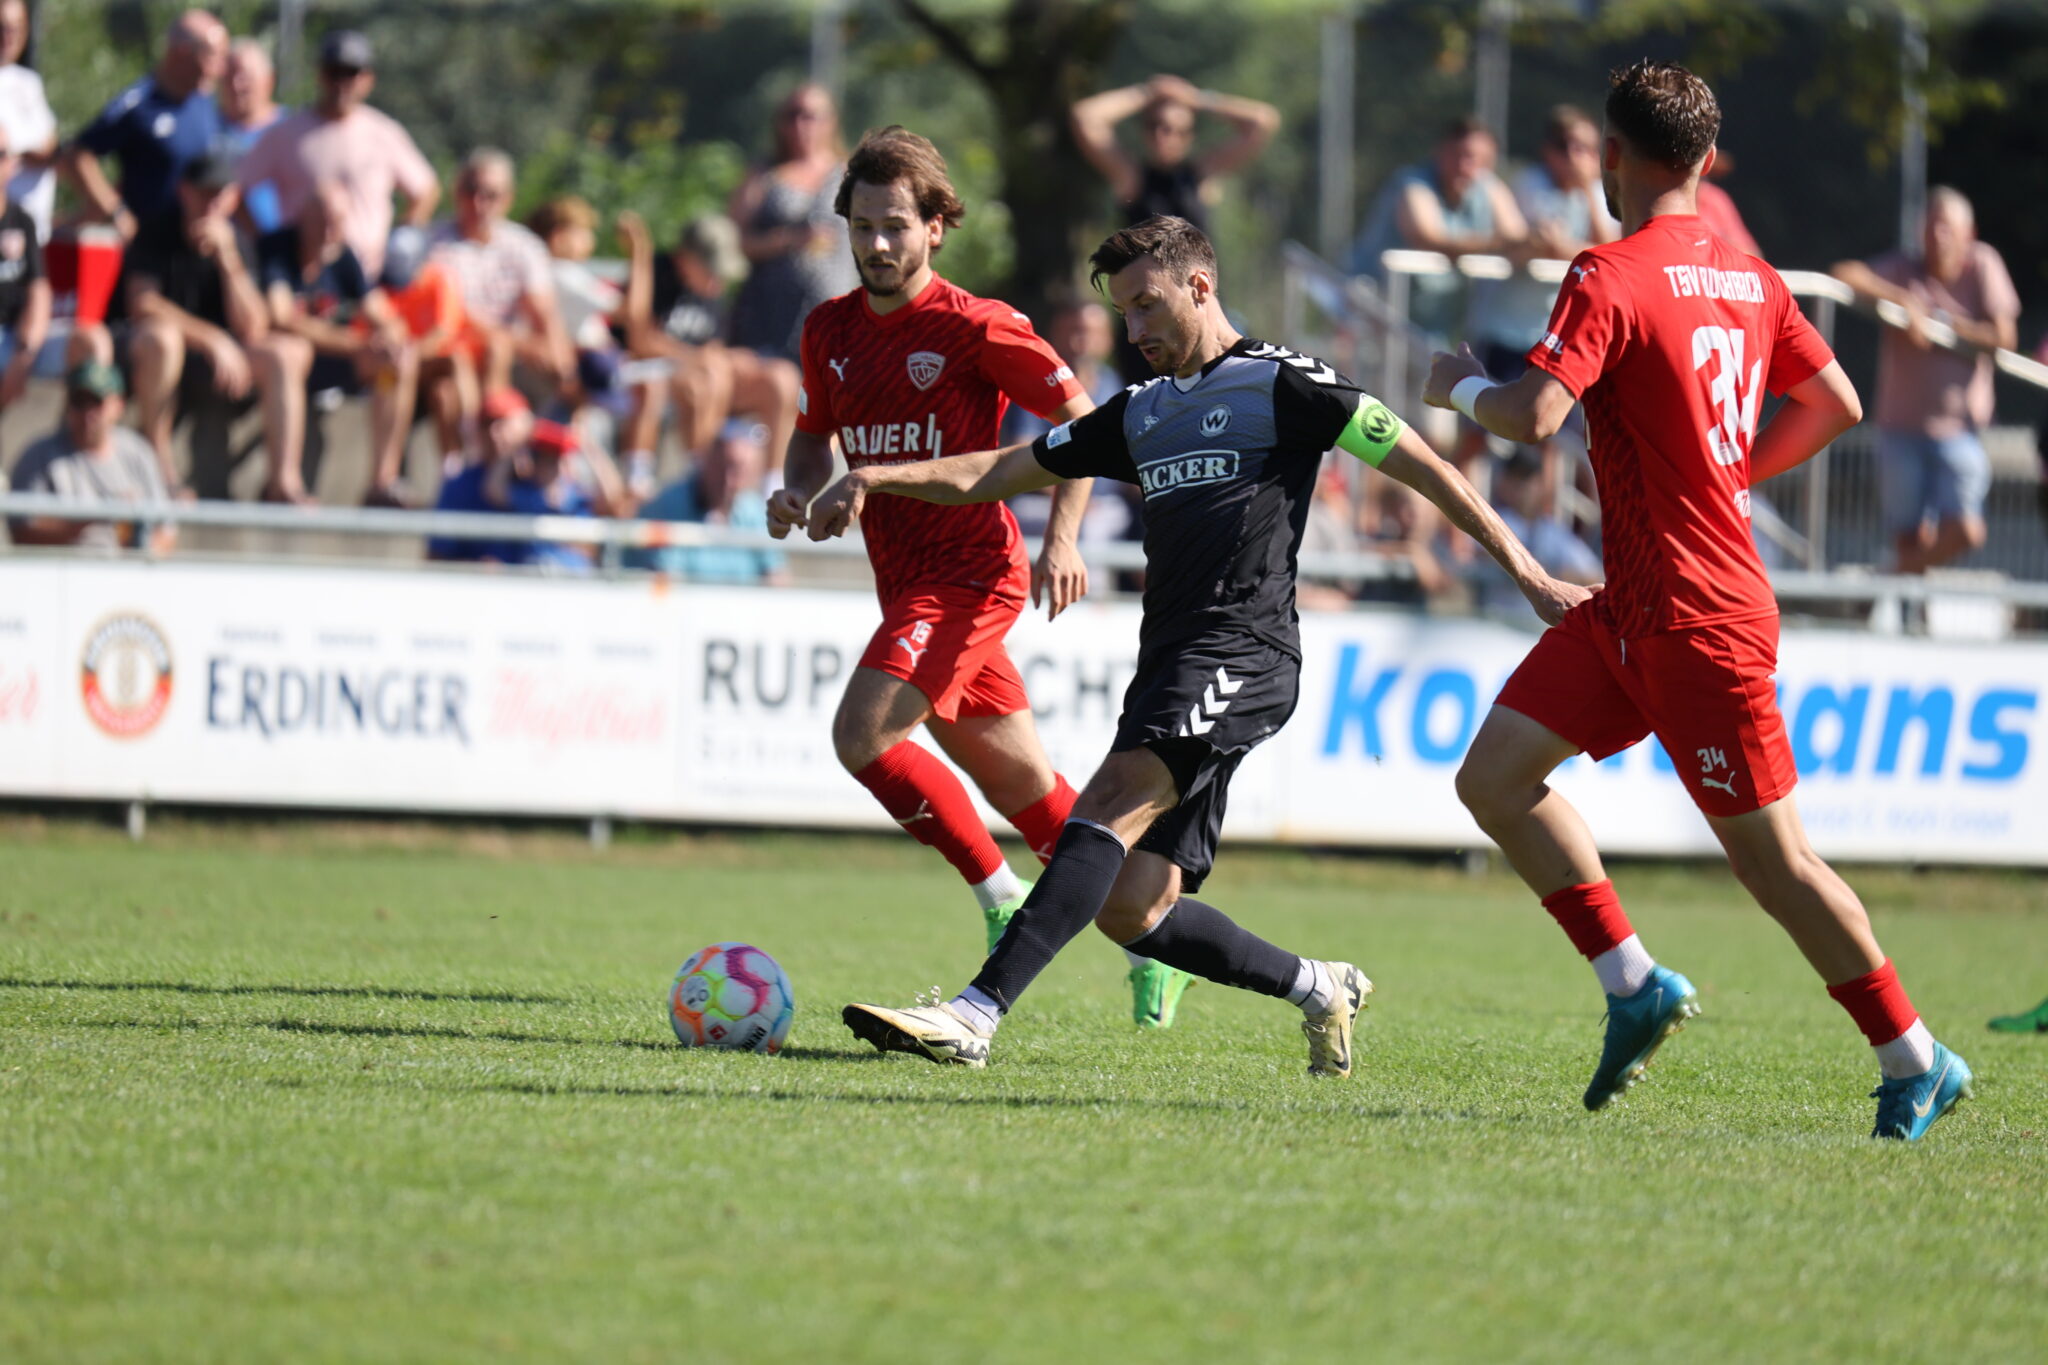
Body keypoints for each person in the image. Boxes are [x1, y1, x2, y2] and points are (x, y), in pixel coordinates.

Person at [815, 214, 1584, 1071]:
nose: (1136, 331)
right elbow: (1000, 468)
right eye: (1125, 315)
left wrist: (1529, 573)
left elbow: (1423, 466)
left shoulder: (1282, 382)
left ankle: (975, 1014)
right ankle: (1319, 984)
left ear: (1201, 287)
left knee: (1106, 799)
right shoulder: (1139, 413)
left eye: (1148, 306)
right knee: (1132, 903)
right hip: (1172, 662)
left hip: (1246, 651)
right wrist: (875, 476)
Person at [1425, 60, 1972, 1141]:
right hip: (1633, 603)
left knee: (1775, 868)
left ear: (1613, 161)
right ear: (1705, 162)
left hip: (1698, 618)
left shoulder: (1608, 270)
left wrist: (1455, 385)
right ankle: (1631, 983)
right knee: (1492, 778)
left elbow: (1532, 419)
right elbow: (1837, 401)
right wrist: (1734, 476)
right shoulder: (1746, 275)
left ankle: (1914, 1055)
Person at [765, 127, 1196, 1026]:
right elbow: (813, 435)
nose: (877, 244)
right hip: (904, 579)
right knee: (1034, 797)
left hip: (971, 573)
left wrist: (1063, 538)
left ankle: (999, 897)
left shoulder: (974, 326)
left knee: (863, 736)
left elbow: (1084, 418)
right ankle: (1162, 933)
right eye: (862, 225)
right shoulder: (828, 330)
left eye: (896, 226)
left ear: (934, 228)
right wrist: (794, 491)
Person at [1830, 187, 2020, 574]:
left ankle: (1889, 576)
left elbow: (2005, 337)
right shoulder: (1905, 268)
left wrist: (1944, 326)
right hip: (1900, 428)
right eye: (1931, 227)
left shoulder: (1983, 264)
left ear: (1969, 233)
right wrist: (1903, 300)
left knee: (1966, 528)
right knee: (1908, 535)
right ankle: (1909, 617)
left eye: (1947, 228)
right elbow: (1843, 274)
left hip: (1960, 429)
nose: (1938, 236)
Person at [1072, 73, 1278, 386]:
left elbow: (1262, 122)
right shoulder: (1132, 177)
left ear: (1188, 136)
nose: (1163, 136)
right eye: (1154, 126)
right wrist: (1145, 93)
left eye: (1174, 130)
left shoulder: (1202, 177)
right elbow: (1085, 117)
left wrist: (1196, 98)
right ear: (1143, 132)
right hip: (1146, 319)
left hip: (1199, 316)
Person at [619, 209, 799, 521]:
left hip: (700, 372)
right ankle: (705, 483)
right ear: (687, 258)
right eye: (713, 272)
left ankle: (774, 487)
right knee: (708, 377)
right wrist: (701, 359)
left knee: (781, 377)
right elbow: (640, 339)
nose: (718, 283)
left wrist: (731, 359)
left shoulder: (709, 292)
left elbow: (712, 345)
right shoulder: (658, 272)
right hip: (649, 372)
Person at [114, 146, 272, 496]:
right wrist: (212, 338)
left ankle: (281, 483)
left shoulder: (238, 241)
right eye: (205, 192)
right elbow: (143, 303)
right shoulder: (157, 229)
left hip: (214, 365)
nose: (212, 203)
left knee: (285, 356)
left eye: (221, 193)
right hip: (147, 353)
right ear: (184, 190)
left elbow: (254, 327)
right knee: (164, 339)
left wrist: (228, 260)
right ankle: (159, 466)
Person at [255, 181, 418, 505]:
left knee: (400, 359)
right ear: (304, 217)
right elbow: (282, 318)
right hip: (289, 362)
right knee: (291, 351)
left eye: (338, 221)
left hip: (335, 361)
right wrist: (356, 343)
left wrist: (390, 335)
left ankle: (382, 481)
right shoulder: (277, 248)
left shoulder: (343, 255)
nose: (330, 230)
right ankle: (283, 484)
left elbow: (380, 312)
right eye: (324, 220)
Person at [233, 30, 438, 281]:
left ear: (368, 79)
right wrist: (262, 242)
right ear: (320, 74)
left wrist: (401, 242)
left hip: (371, 278)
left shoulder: (383, 133)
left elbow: (425, 190)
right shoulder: (286, 133)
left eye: (350, 73)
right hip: (306, 281)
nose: (342, 82)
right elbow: (236, 189)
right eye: (334, 72)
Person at [1349, 117, 1527, 342]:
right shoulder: (1412, 182)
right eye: (1459, 155)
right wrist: (1499, 243)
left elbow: (1518, 237)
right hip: (1372, 318)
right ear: (1440, 152)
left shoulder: (1488, 186)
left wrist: (1541, 241)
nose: (1466, 166)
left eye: (1478, 159)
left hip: (1431, 327)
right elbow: (1428, 237)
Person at [63, 9, 227, 252]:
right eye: (213, 56)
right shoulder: (139, 104)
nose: (220, 69)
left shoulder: (205, 102)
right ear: (182, 52)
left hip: (196, 250)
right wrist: (115, 211)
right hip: (148, 254)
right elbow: (78, 155)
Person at [427, 148, 572, 400]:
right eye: (471, 190)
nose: (479, 202)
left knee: (567, 371)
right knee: (454, 385)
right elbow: (454, 314)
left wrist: (559, 358)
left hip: (514, 354)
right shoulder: (433, 245)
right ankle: (492, 425)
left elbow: (544, 311)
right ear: (457, 193)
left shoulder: (524, 245)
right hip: (456, 348)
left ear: (508, 198)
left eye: (491, 195)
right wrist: (516, 343)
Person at [727, 84, 857, 361]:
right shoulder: (764, 174)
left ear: (831, 121)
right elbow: (731, 241)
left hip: (836, 316)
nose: (801, 124)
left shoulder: (851, 175)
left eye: (811, 115)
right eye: (792, 115)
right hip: (770, 318)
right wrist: (789, 239)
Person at [8, 360, 173, 553]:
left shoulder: (138, 453)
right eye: (79, 402)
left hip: (127, 573)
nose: (88, 413)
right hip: (61, 573)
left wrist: (138, 556)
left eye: (96, 402)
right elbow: (22, 531)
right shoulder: (38, 455)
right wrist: (91, 518)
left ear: (118, 406)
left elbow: (166, 531)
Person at [627, 419, 788, 585]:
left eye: (738, 471)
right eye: (722, 467)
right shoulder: (667, 506)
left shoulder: (753, 510)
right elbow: (666, 579)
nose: (728, 480)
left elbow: (776, 575)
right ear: (707, 462)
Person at [0, 124, 49, 414]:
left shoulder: (22, 220)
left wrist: (26, 351)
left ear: (14, 163)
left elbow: (39, 289)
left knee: (91, 342)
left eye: (1, 154)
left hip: (15, 337)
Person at [0, 0, 58, 242]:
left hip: (34, 227)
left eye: (17, 28)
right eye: (3, 27)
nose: (9, 37)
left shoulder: (29, 82)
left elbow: (50, 146)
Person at [221, 39, 284, 232]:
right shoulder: (206, 128)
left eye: (245, 76)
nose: (236, 84)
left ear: (269, 80)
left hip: (282, 248)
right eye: (229, 75)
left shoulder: (291, 131)